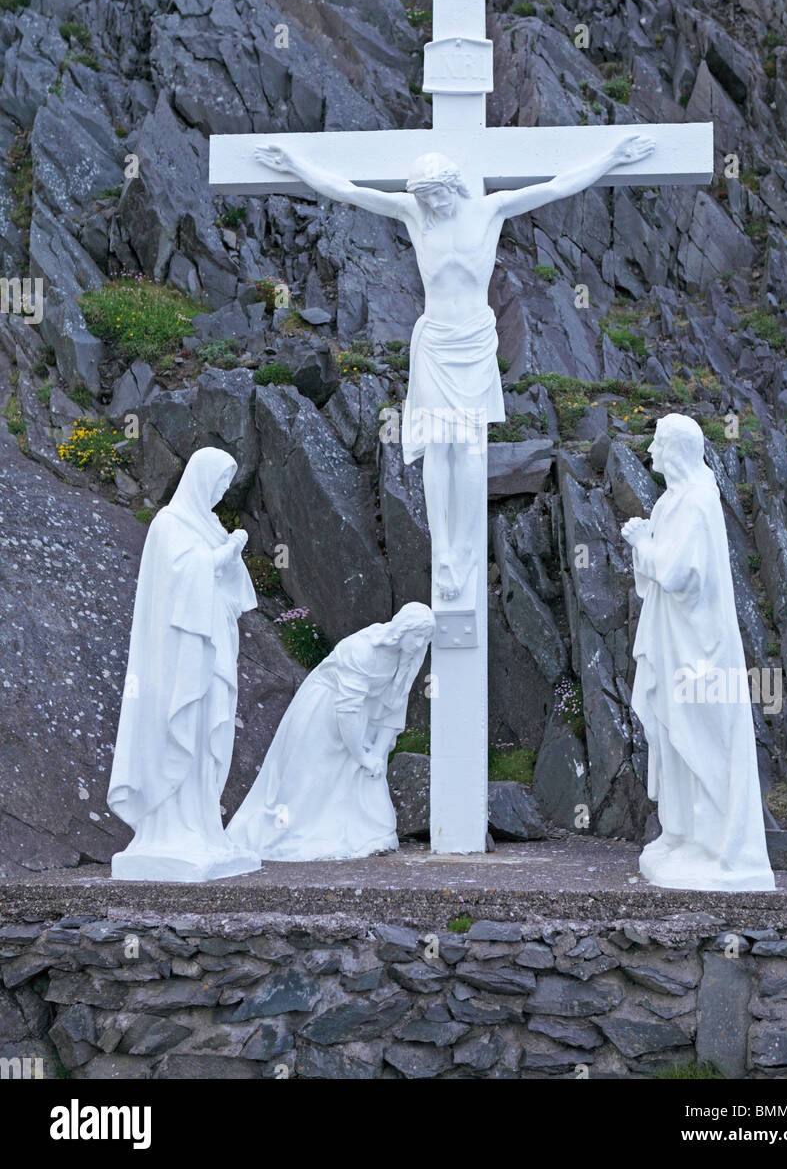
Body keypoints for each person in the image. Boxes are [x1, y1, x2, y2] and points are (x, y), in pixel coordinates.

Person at [256, 133, 654, 601]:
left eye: (438, 196)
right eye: (425, 199)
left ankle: (464, 547)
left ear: (454, 186)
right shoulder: (413, 213)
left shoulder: (490, 210)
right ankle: (442, 551)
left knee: (468, 446)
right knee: (436, 447)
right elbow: (348, 190)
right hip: (435, 345)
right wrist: (295, 164)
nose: (434, 207)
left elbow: (558, 186)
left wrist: (611, 157)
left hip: (474, 343)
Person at [622, 414, 775, 892]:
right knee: (673, 739)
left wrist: (642, 544)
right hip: (675, 640)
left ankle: (714, 844)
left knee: (700, 739)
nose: (650, 453)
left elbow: (682, 574)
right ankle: (683, 833)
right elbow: (661, 578)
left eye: (658, 445)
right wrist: (646, 545)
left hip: (698, 650)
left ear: (678, 451)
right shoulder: (674, 500)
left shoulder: (697, 500)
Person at [108, 447, 260, 881]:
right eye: (216, 484)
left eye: (225, 487)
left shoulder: (209, 525)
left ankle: (203, 825)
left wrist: (229, 555)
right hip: (178, 656)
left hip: (212, 647)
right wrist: (223, 555)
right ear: (198, 480)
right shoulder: (169, 524)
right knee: (184, 726)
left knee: (207, 733)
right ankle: (173, 828)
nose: (220, 493)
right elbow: (179, 580)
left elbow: (236, 597)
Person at [227, 603, 435, 862]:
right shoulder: (362, 650)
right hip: (325, 712)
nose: (419, 644)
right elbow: (346, 711)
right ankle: (293, 833)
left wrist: (377, 754)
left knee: (365, 778)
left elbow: (396, 704)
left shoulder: (409, 657)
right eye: (417, 636)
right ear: (402, 630)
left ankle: (366, 836)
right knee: (311, 779)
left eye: (425, 638)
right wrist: (361, 754)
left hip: (363, 718)